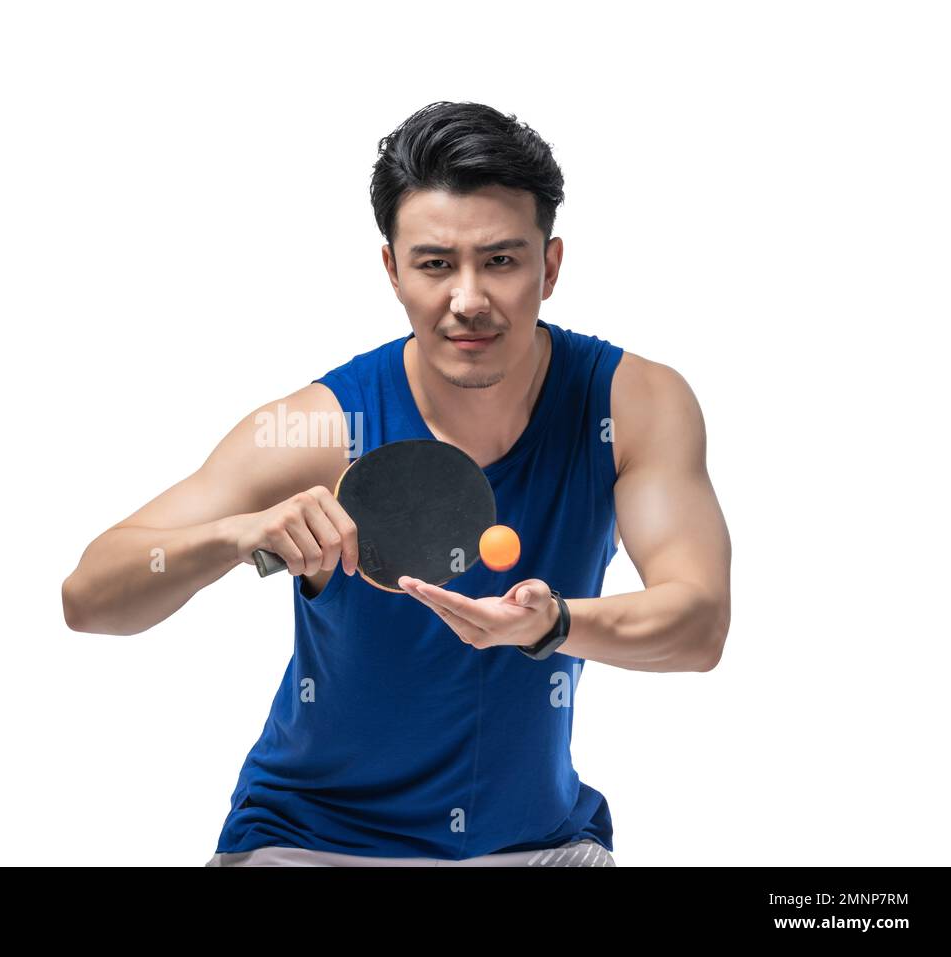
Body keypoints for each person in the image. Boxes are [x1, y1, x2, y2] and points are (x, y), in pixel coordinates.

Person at [62, 101, 732, 867]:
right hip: (312, 843)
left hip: (536, 843)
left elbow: (700, 622)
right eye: (436, 264)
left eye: (503, 262)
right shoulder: (319, 426)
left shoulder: (632, 404)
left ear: (550, 266)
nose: (469, 300)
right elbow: (88, 594)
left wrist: (552, 625)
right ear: (392, 269)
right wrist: (234, 537)